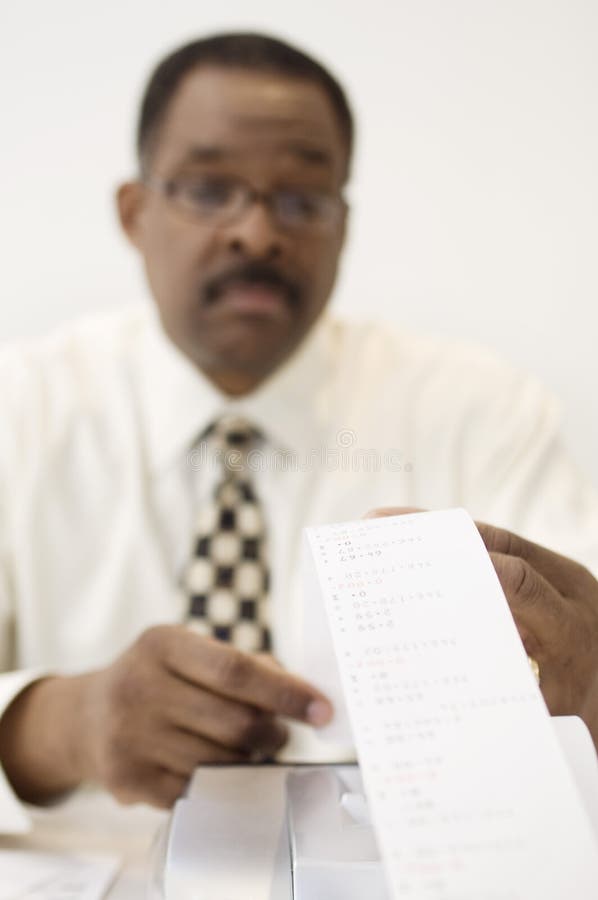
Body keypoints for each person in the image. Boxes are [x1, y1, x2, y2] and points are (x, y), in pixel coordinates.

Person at [1, 32, 598, 813]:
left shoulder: (483, 414)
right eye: (210, 190)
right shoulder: (21, 407)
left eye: (300, 201)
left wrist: (587, 690)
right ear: (134, 212)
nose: (256, 233)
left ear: (343, 226)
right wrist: (57, 727)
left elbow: (581, 683)